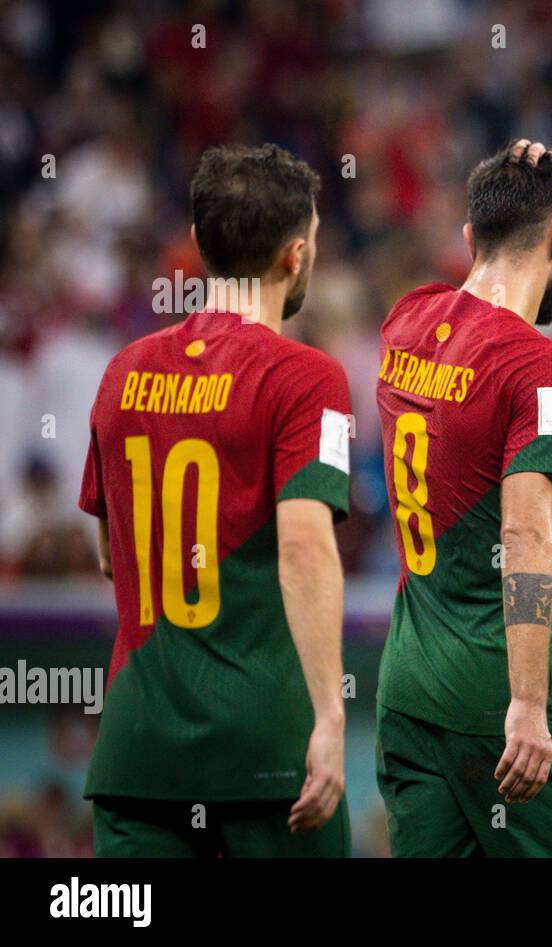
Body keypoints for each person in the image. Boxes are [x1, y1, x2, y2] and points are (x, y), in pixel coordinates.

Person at [373, 139, 552, 857]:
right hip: (502, 687)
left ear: (469, 239)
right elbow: (527, 535)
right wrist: (528, 705)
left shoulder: (404, 322)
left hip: (407, 692)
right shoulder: (541, 368)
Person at [78, 144, 352, 856]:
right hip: (266, 758)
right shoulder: (308, 379)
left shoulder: (120, 372)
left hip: (136, 757)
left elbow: (115, 555)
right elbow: (304, 546)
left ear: (199, 244)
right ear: (296, 256)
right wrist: (330, 715)